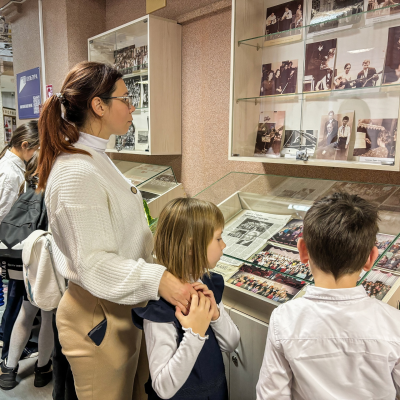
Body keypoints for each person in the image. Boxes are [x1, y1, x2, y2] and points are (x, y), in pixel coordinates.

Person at [37, 61, 195, 400]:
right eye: (126, 97)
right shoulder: (75, 172)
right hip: (99, 315)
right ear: (99, 105)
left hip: (123, 305)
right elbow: (93, 264)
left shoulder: (94, 156)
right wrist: (160, 280)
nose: (132, 106)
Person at [256, 192, 400, 399]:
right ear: (371, 258)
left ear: (303, 250)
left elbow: (270, 394)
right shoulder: (395, 322)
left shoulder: (284, 318)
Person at [132, 198, 240, 399]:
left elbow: (231, 344)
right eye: (218, 238)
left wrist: (216, 316)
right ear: (192, 246)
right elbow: (162, 387)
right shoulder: (159, 309)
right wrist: (195, 333)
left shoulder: (208, 285)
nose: (224, 244)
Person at [0, 152, 54, 391]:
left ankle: (9, 370)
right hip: (47, 262)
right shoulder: (54, 189)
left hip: (25, 260)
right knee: (49, 317)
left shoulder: (27, 185)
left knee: (25, 312)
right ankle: (43, 369)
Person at [0, 121, 40, 365]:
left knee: (17, 293)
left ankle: (9, 341)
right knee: (17, 293)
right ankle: (8, 350)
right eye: (36, 148)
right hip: (8, 244)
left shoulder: (11, 166)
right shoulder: (11, 173)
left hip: (10, 243)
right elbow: (3, 215)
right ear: (25, 146)